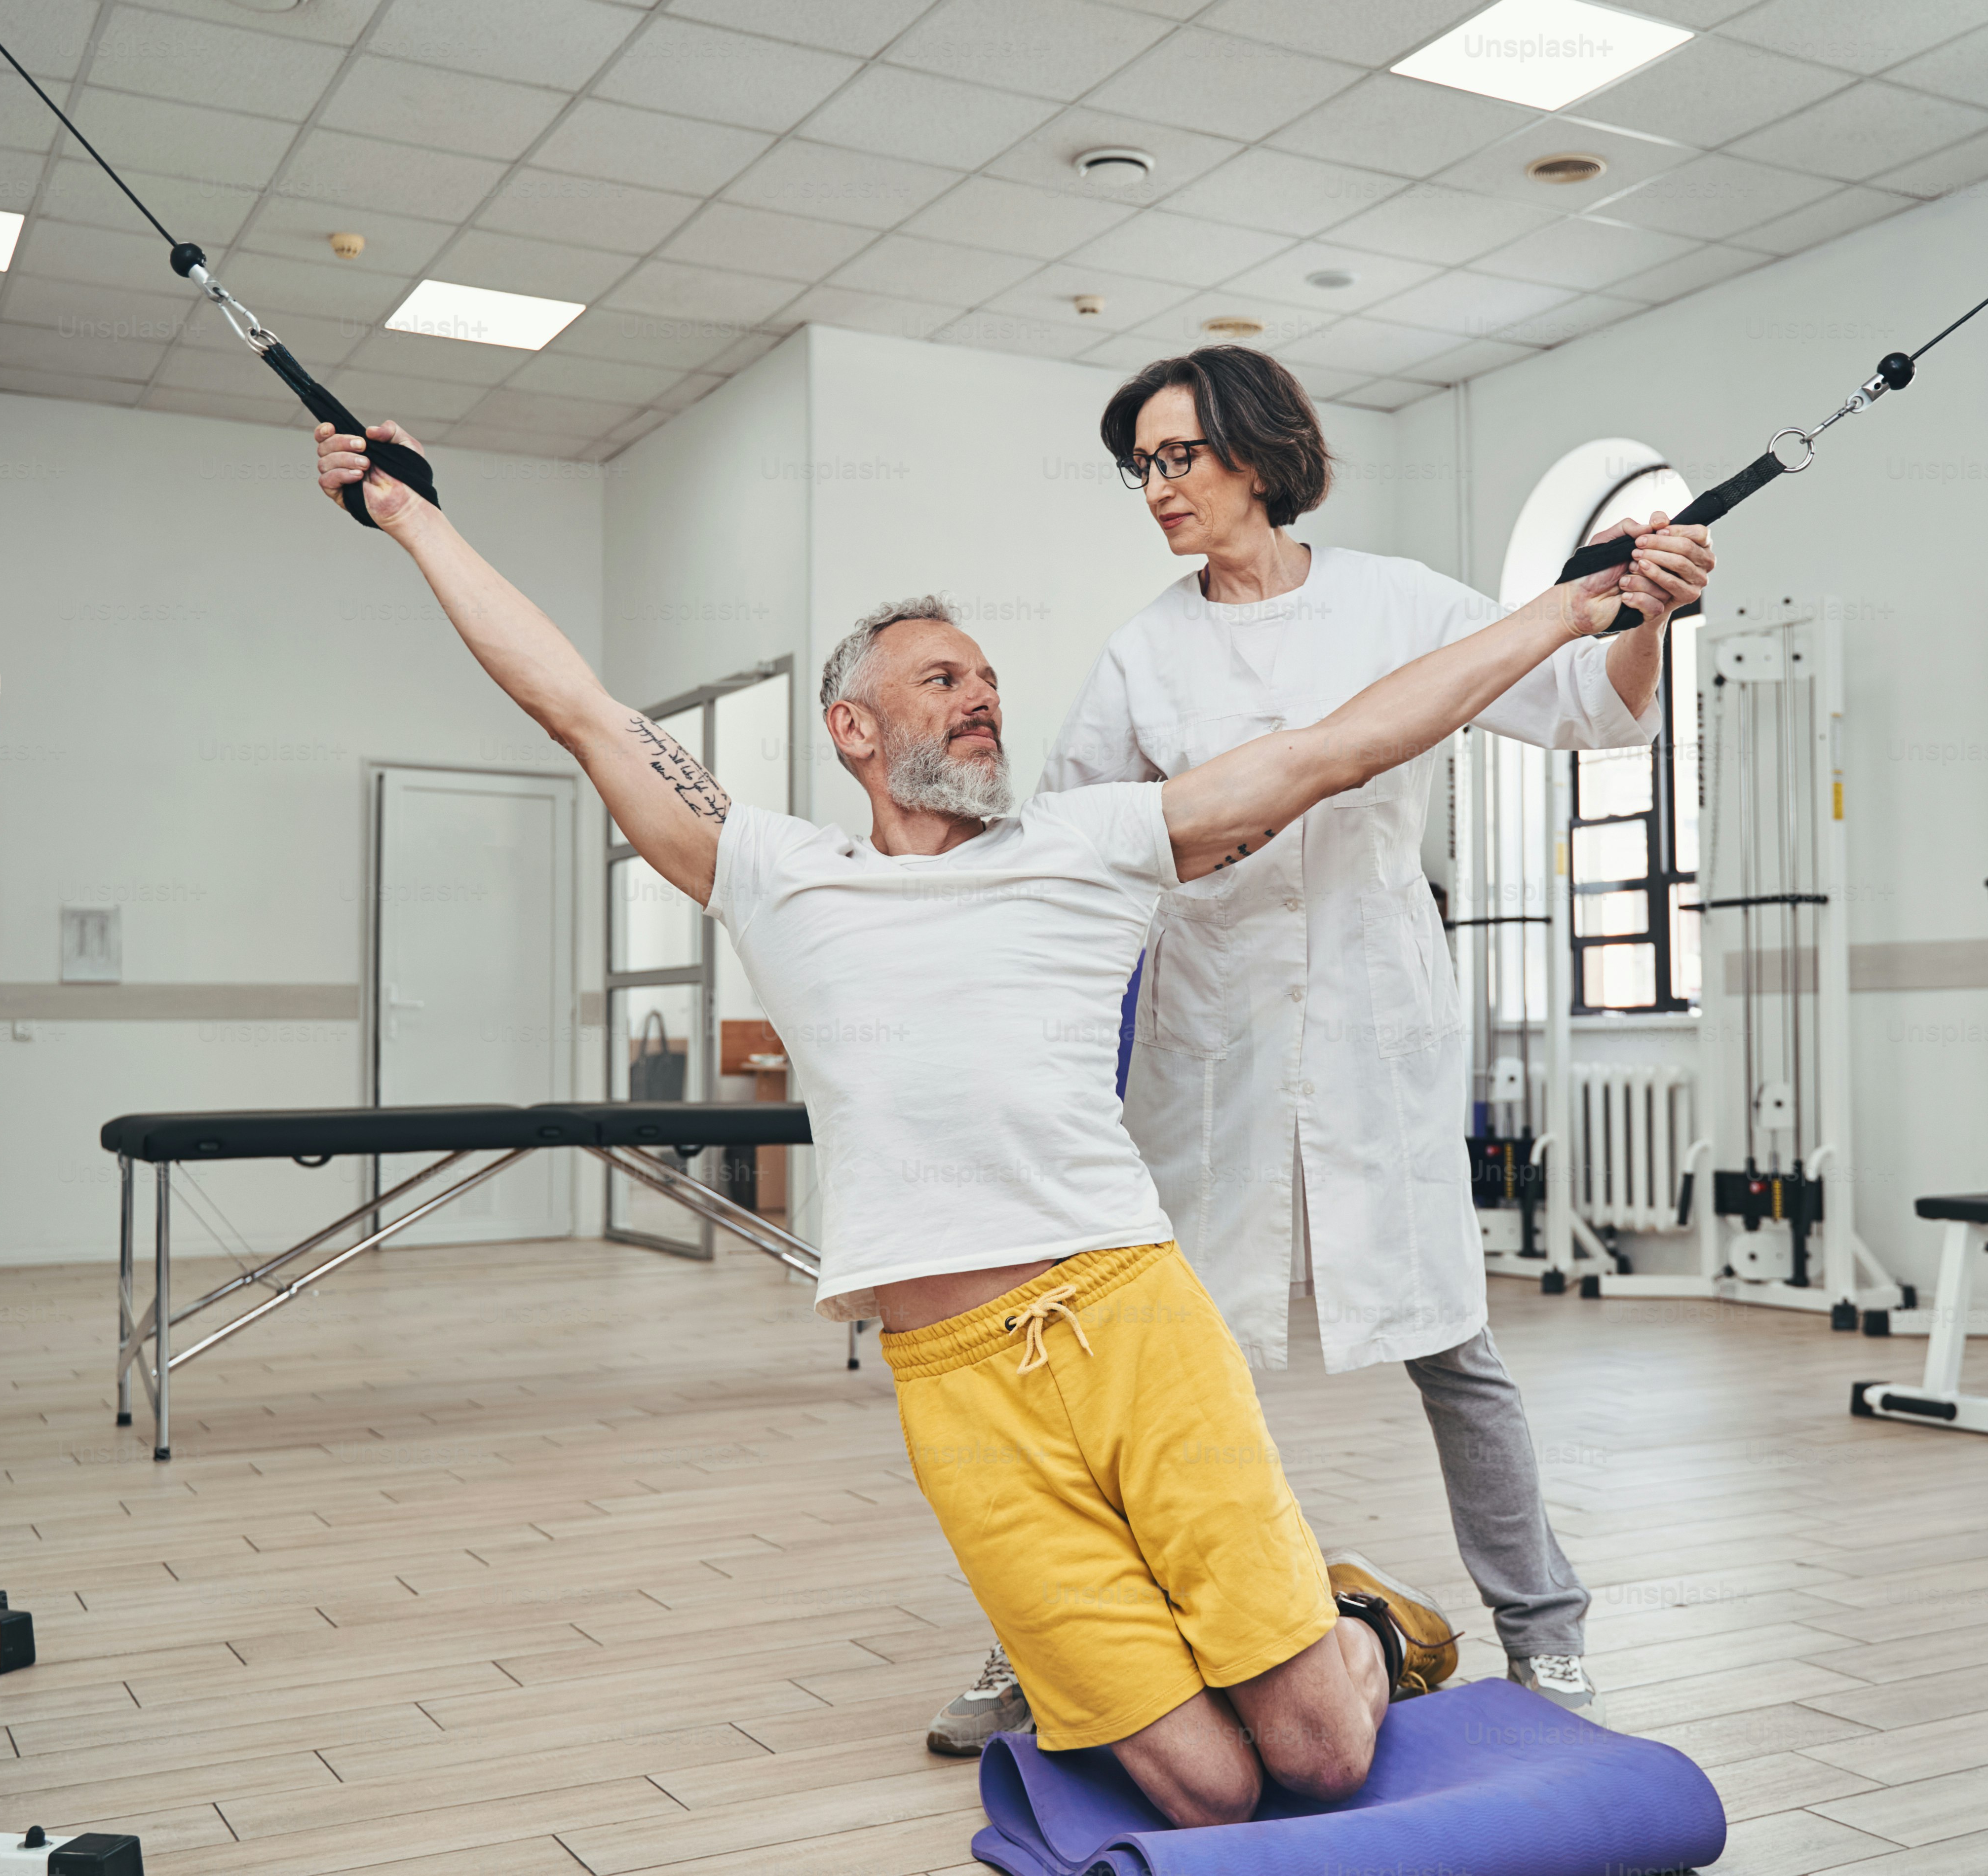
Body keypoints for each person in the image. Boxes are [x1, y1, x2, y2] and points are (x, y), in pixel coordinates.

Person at [308, 414, 1691, 1827]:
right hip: (956, 1382)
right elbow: (581, 708)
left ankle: (1357, 1630)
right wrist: (415, 519)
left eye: (985, 675)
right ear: (853, 726)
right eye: (938, 677)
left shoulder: (1093, 847)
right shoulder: (779, 873)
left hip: (1132, 1322)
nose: (981, 697)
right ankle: (1275, 1605)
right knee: (1207, 1790)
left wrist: (1578, 608)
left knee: (1323, 1754)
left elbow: (1338, 748)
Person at [929, 348, 1711, 1754]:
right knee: (1137, 1371)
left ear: (1256, 455)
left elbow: (1585, 708)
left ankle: (1549, 1642)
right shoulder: (1143, 651)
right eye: (1144, 467)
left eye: (1179, 458)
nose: (1158, 490)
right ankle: (1039, 1646)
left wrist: (1643, 613)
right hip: (1208, 1044)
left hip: (1370, 1030)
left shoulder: (1402, 600)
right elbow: (1076, 847)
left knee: (1455, 1350)